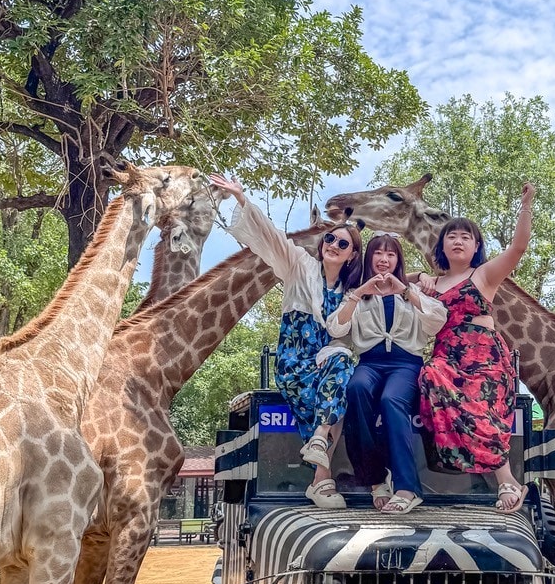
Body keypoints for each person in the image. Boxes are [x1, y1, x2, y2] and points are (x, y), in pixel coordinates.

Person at [208, 173, 362, 509]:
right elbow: (272, 236)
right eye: (330, 240)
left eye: (342, 244)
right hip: (295, 361)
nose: (333, 245)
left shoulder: (350, 293)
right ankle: (321, 471)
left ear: (352, 255)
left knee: (341, 367)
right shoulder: (299, 267)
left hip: (327, 361)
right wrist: (241, 198)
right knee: (331, 401)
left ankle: (321, 467)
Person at [418, 185, 535, 513]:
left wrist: (526, 205)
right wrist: (421, 276)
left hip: (483, 358)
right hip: (446, 357)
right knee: (429, 374)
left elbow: (519, 247)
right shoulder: (433, 283)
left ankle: (507, 481)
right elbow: (392, 275)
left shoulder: (483, 275)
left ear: (476, 246)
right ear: (442, 245)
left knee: (477, 406)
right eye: (451, 236)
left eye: (465, 236)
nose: (457, 240)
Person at [328, 233, 446, 515]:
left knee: (392, 400)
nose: (384, 259)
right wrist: (359, 293)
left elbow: (437, 321)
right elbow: (336, 328)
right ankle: (376, 480)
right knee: (355, 389)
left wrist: (406, 291)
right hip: (369, 362)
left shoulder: (412, 290)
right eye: (378, 253)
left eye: (391, 254)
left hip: (406, 364)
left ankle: (407, 488)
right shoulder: (356, 292)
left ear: (398, 260)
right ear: (369, 258)